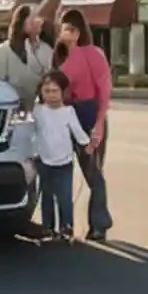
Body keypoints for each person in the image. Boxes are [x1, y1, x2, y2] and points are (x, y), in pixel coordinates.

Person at [55, 7, 114, 241]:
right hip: (66, 113)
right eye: (62, 28)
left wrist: (98, 122)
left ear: (78, 32)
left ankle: (99, 223)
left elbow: (105, 88)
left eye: (69, 28)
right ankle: (63, 225)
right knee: (60, 170)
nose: (64, 33)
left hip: (90, 112)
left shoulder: (93, 54)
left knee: (93, 172)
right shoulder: (60, 56)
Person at [32, 69, 90, 243]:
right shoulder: (38, 111)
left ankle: (67, 228)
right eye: (46, 91)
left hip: (64, 162)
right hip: (43, 160)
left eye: (55, 91)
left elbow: (78, 133)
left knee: (64, 197)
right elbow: (30, 132)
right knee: (47, 197)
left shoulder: (68, 111)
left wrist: (88, 144)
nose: (51, 95)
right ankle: (48, 229)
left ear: (63, 92)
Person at [0, 5, 50, 113]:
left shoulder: (46, 49)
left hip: (41, 110)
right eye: (33, 17)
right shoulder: (3, 51)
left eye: (39, 17)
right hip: (13, 110)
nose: (39, 20)